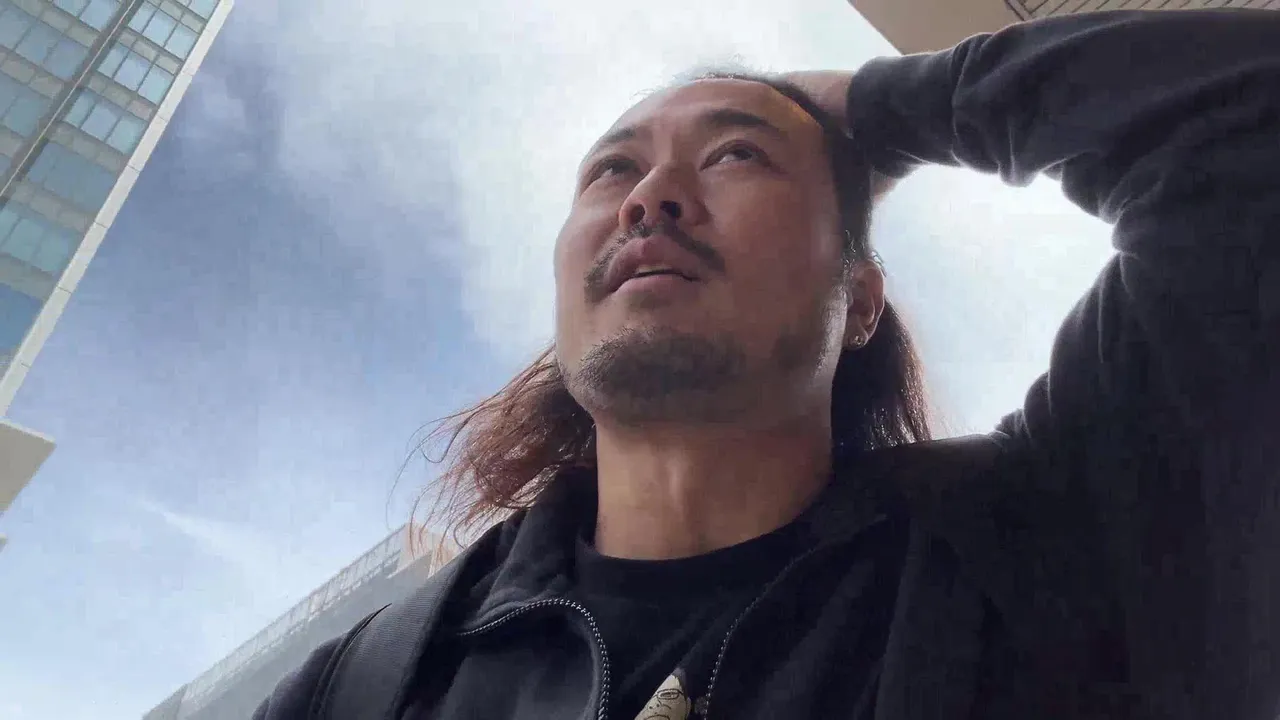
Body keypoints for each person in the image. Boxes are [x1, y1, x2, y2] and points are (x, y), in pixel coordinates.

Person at [254, 8, 1280, 720]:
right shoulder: (366, 683)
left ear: (860, 301)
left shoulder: (1056, 544)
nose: (648, 198)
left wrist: (868, 109)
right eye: (612, 170)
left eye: (734, 154)